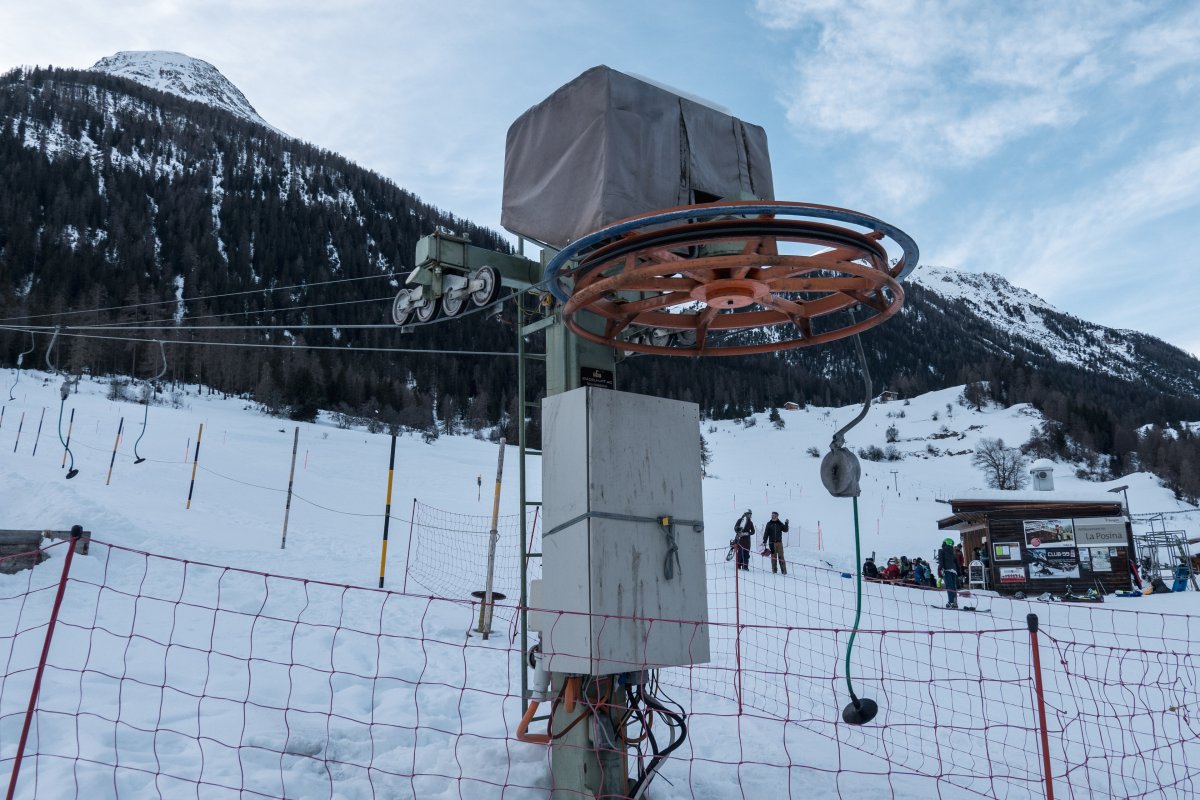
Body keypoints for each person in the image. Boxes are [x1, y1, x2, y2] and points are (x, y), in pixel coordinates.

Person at [938, 537, 959, 608]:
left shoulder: (941, 551)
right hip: (954, 571)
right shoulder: (953, 552)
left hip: (946, 570)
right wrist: (959, 572)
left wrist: (941, 570)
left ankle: (950, 602)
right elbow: (956, 563)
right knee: (954, 587)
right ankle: (955, 603)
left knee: (949, 586)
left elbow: (941, 561)